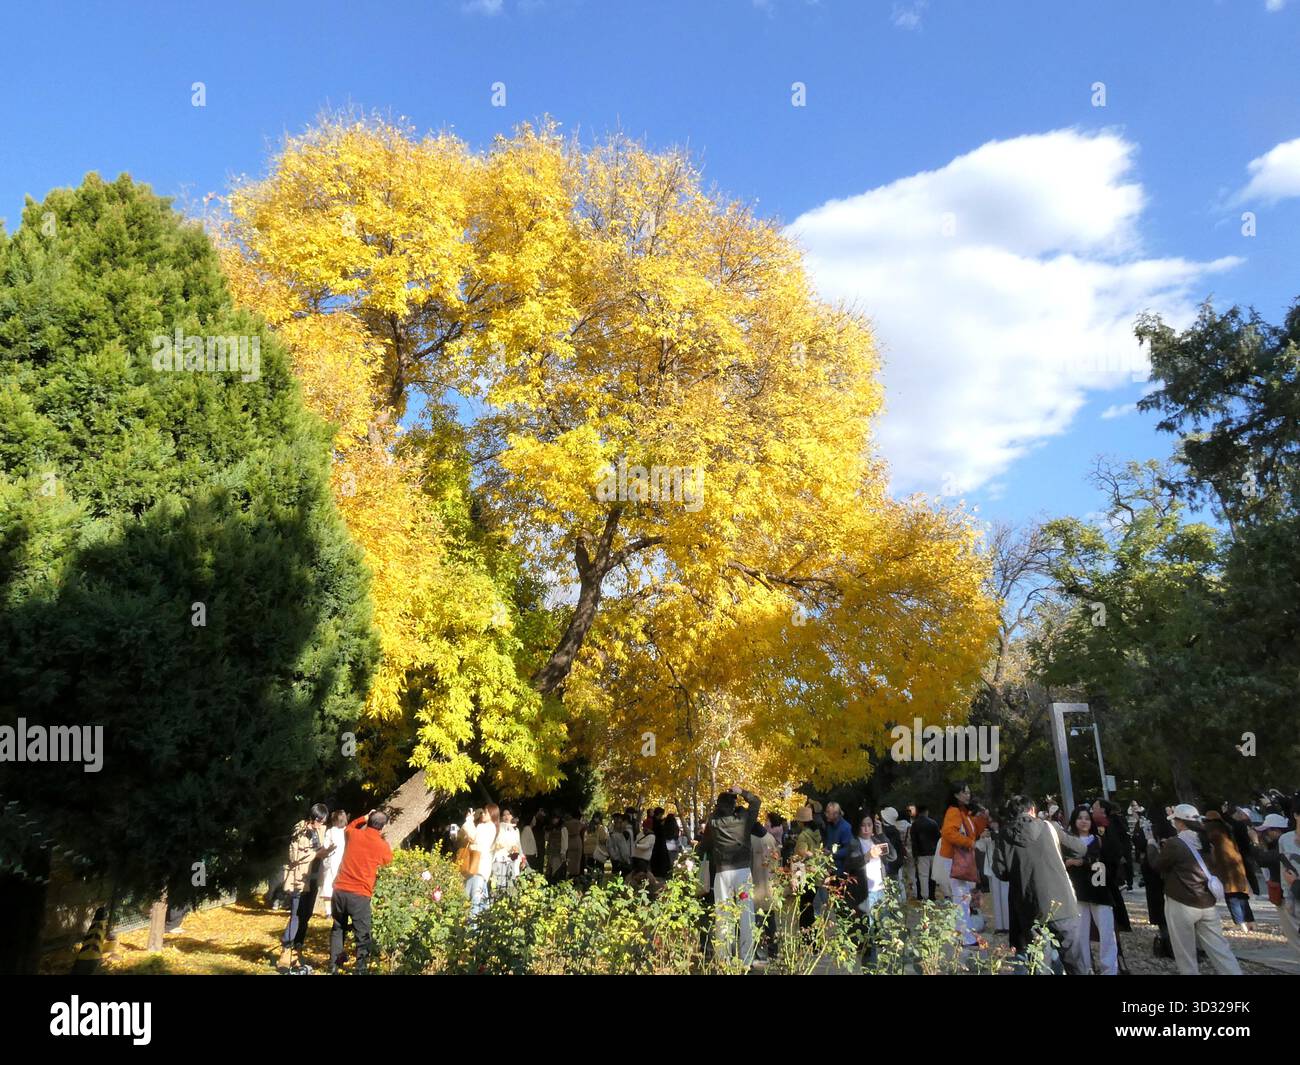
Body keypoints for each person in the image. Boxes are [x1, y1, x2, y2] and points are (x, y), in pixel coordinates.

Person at [992, 794, 1089, 974]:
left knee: (1039, 964)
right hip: (1062, 902)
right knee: (1075, 962)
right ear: (1033, 810)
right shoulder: (1049, 827)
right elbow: (1080, 848)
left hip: (1029, 908)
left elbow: (1000, 872)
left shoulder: (1003, 835)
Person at [1147, 803, 1241, 976]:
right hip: (1207, 902)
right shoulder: (1206, 841)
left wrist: (1151, 845)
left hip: (1181, 901)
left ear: (1180, 822)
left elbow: (1157, 865)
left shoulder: (1176, 843)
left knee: (1185, 953)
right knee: (1220, 949)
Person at [329, 810, 394, 975]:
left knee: (338, 927)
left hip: (340, 890)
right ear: (383, 826)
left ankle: (335, 966)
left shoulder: (354, 835)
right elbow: (388, 860)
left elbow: (349, 826)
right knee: (362, 934)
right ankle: (361, 969)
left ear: (369, 821)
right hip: (360, 894)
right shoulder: (381, 845)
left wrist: (363, 817)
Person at [704, 786, 761, 963]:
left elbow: (705, 844)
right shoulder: (744, 820)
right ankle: (747, 958)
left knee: (723, 915)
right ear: (734, 804)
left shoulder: (713, 822)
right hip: (743, 873)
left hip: (722, 874)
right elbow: (756, 801)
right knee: (746, 914)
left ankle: (723, 958)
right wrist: (741, 791)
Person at [279, 802, 334, 973]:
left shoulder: (320, 830)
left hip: (313, 879)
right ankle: (286, 951)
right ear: (315, 819)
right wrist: (316, 854)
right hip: (299, 880)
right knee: (295, 915)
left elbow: (322, 846)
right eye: (322, 821)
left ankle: (297, 950)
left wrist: (328, 850)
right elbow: (294, 856)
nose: (323, 824)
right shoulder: (300, 830)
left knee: (306, 915)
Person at [1064, 805, 1117, 974]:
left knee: (1107, 932)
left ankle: (1109, 969)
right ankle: (1084, 968)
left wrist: (1082, 862)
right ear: (1074, 820)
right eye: (1080, 818)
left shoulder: (1099, 840)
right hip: (1076, 890)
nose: (1084, 821)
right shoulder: (1067, 841)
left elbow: (1106, 862)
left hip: (1099, 889)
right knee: (1079, 934)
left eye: (1087, 818)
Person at [939, 783, 982, 948]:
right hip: (954, 858)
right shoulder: (954, 811)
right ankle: (964, 936)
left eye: (969, 792)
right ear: (956, 795)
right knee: (961, 897)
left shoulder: (962, 812)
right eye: (965, 792)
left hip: (956, 858)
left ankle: (964, 933)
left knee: (963, 896)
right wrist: (969, 843)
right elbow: (949, 833)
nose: (968, 795)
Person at [1203, 810, 1254, 930]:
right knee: (1242, 895)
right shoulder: (1227, 828)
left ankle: (1240, 923)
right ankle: (1250, 921)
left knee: (1231, 896)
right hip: (1236, 863)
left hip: (1224, 866)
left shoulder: (1210, 830)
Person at [749, 818, 780, 960]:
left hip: (755, 885)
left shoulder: (750, 840)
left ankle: (758, 951)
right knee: (770, 919)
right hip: (769, 885)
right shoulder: (770, 838)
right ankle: (773, 949)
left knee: (756, 921)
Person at [462, 805, 498, 917]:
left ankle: (473, 927)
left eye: (486, 813)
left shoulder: (486, 827)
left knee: (473, 899)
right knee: (481, 899)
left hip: (477, 866)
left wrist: (469, 821)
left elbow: (474, 838)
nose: (483, 814)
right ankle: (484, 925)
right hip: (480, 867)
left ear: (492, 814)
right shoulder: (490, 827)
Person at [976, 815, 1009, 933]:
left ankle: (1008, 925)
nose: (992, 824)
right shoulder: (988, 835)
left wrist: (995, 835)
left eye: (994, 822)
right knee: (996, 897)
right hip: (992, 869)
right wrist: (981, 837)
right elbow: (979, 847)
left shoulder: (1006, 831)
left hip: (1004, 869)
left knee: (1005, 897)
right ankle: (999, 926)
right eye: (990, 822)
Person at [791, 805, 822, 929]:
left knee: (805, 910)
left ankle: (807, 940)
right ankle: (814, 940)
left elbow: (800, 856)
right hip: (817, 874)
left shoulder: (803, 836)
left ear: (801, 821)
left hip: (807, 876)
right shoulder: (816, 833)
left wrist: (795, 877)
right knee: (812, 908)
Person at [318, 808, 348, 919]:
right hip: (343, 862)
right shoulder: (348, 831)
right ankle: (340, 910)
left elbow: (325, 846)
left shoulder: (331, 831)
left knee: (328, 886)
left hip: (331, 861)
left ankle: (328, 912)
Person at [910, 804, 939, 901]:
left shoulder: (915, 824)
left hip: (921, 854)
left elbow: (914, 842)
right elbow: (938, 838)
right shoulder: (933, 823)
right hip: (933, 852)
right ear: (927, 812)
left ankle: (924, 897)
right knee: (933, 875)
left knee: (923, 876)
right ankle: (932, 895)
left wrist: (915, 855)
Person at [492, 808, 522, 895]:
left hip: (512, 859)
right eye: (504, 815)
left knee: (511, 884)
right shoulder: (499, 827)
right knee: (499, 884)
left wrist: (521, 856)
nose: (506, 816)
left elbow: (519, 845)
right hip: (500, 859)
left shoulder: (515, 830)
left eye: (508, 814)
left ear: (512, 815)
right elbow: (495, 842)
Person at [607, 813, 633, 878]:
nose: (621, 825)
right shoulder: (618, 835)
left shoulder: (614, 835)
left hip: (618, 861)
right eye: (619, 822)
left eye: (621, 822)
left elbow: (622, 849)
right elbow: (623, 851)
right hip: (620, 861)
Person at [521, 809, 546, 876]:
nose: (535, 820)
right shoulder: (527, 829)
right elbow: (524, 844)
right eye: (534, 819)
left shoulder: (530, 829)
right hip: (529, 856)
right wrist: (524, 857)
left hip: (532, 855)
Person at [546, 813, 569, 881]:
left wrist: (563, 852)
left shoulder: (563, 828)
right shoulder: (552, 828)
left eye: (555, 818)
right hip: (552, 853)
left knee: (558, 871)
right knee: (551, 871)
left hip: (558, 853)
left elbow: (564, 842)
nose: (553, 820)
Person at [565, 811, 586, 880]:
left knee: (569, 861)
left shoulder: (566, 824)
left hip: (569, 842)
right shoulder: (579, 824)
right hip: (577, 842)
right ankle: (575, 878)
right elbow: (584, 828)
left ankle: (569, 875)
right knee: (577, 862)